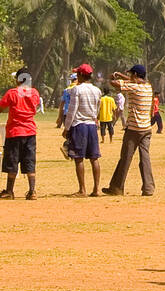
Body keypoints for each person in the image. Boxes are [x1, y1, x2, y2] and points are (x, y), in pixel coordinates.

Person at [0, 69, 41, 199]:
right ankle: (32, 191)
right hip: (30, 132)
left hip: (15, 132)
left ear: (19, 80)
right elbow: (33, 106)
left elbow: (0, 109)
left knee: (12, 161)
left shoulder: (12, 93)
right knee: (29, 161)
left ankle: (9, 191)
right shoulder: (34, 93)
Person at [103, 65, 155, 196]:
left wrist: (113, 78)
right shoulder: (148, 86)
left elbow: (115, 84)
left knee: (125, 158)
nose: (130, 77)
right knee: (145, 159)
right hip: (146, 129)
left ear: (136, 75)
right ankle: (148, 188)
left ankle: (116, 187)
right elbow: (134, 81)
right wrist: (122, 75)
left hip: (133, 129)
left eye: (131, 75)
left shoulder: (134, 87)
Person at [62, 64, 103, 196]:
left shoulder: (76, 90)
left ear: (80, 75)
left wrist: (66, 128)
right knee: (94, 158)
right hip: (92, 125)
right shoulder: (97, 90)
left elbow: (72, 110)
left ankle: (82, 189)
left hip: (79, 125)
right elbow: (98, 108)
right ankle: (96, 189)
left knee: (78, 158)